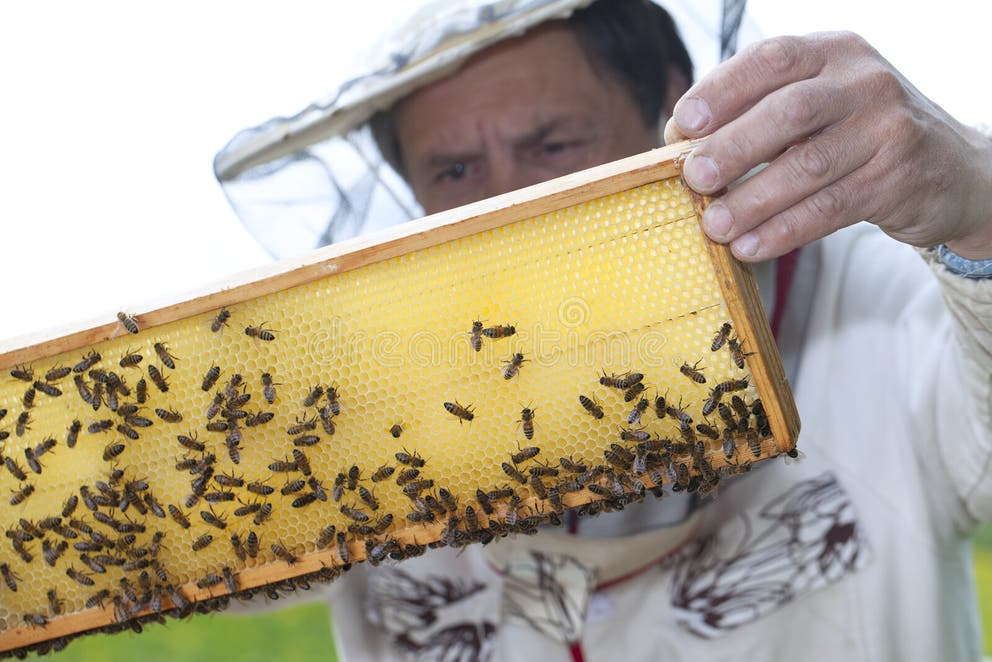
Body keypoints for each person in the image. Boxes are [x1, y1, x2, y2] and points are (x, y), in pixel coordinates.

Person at [219, 1, 992, 659]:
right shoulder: (361, 408)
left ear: (672, 107)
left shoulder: (866, 300)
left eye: (553, 146)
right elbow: (207, 556)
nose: (505, 209)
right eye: (455, 170)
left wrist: (981, 209)